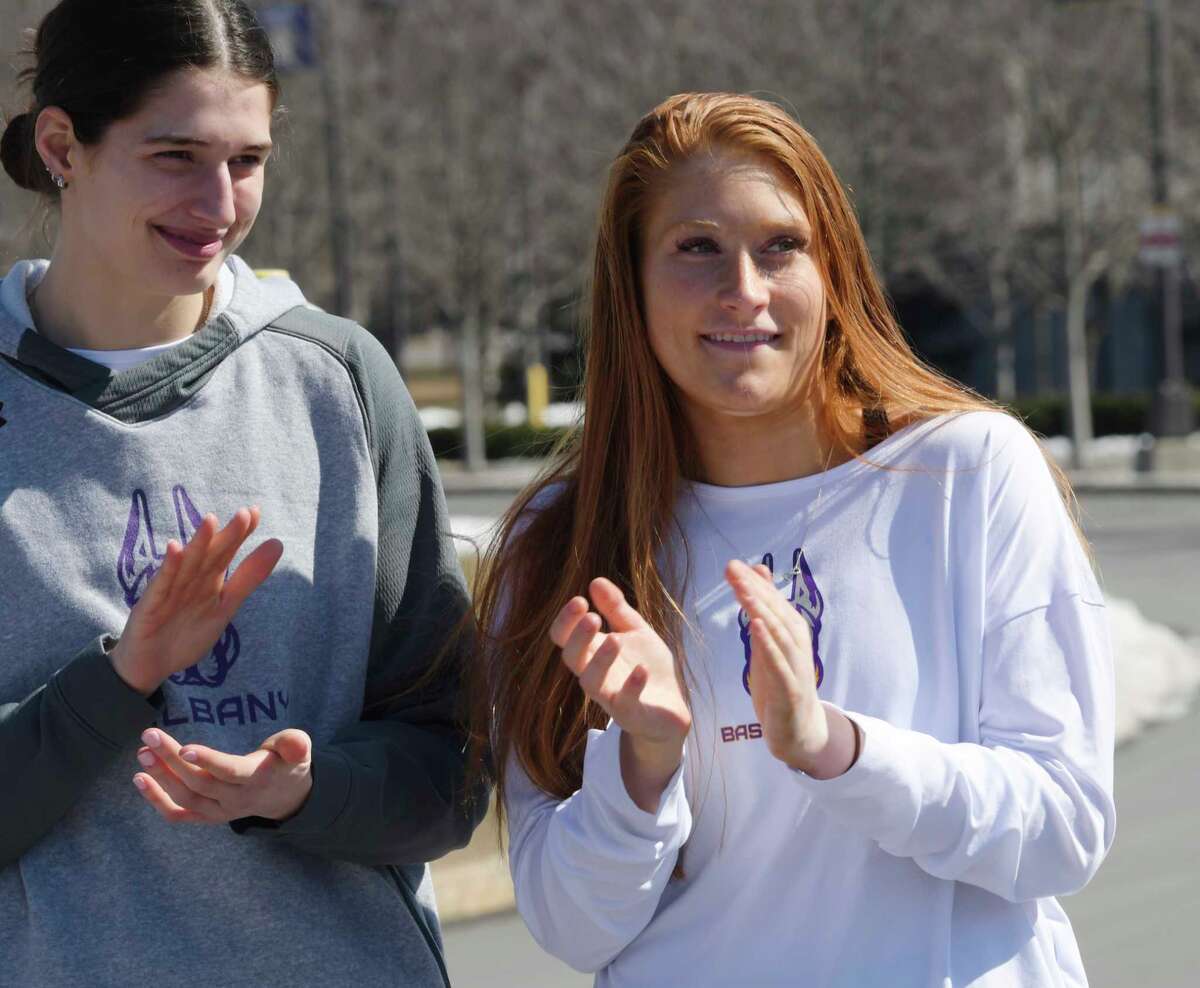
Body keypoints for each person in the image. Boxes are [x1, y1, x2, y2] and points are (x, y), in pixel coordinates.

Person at [470, 92, 1116, 987]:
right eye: (697, 248)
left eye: (781, 246)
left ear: (833, 269)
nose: (745, 291)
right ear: (633, 284)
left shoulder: (968, 473)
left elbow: (1063, 830)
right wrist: (642, 764)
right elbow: (571, 927)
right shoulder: (561, 545)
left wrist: (837, 749)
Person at [0, 3, 483, 986]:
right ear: (63, 144)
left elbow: (448, 769)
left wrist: (304, 790)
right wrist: (119, 681)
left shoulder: (338, 378)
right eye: (175, 154)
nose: (219, 201)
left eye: (248, 159)